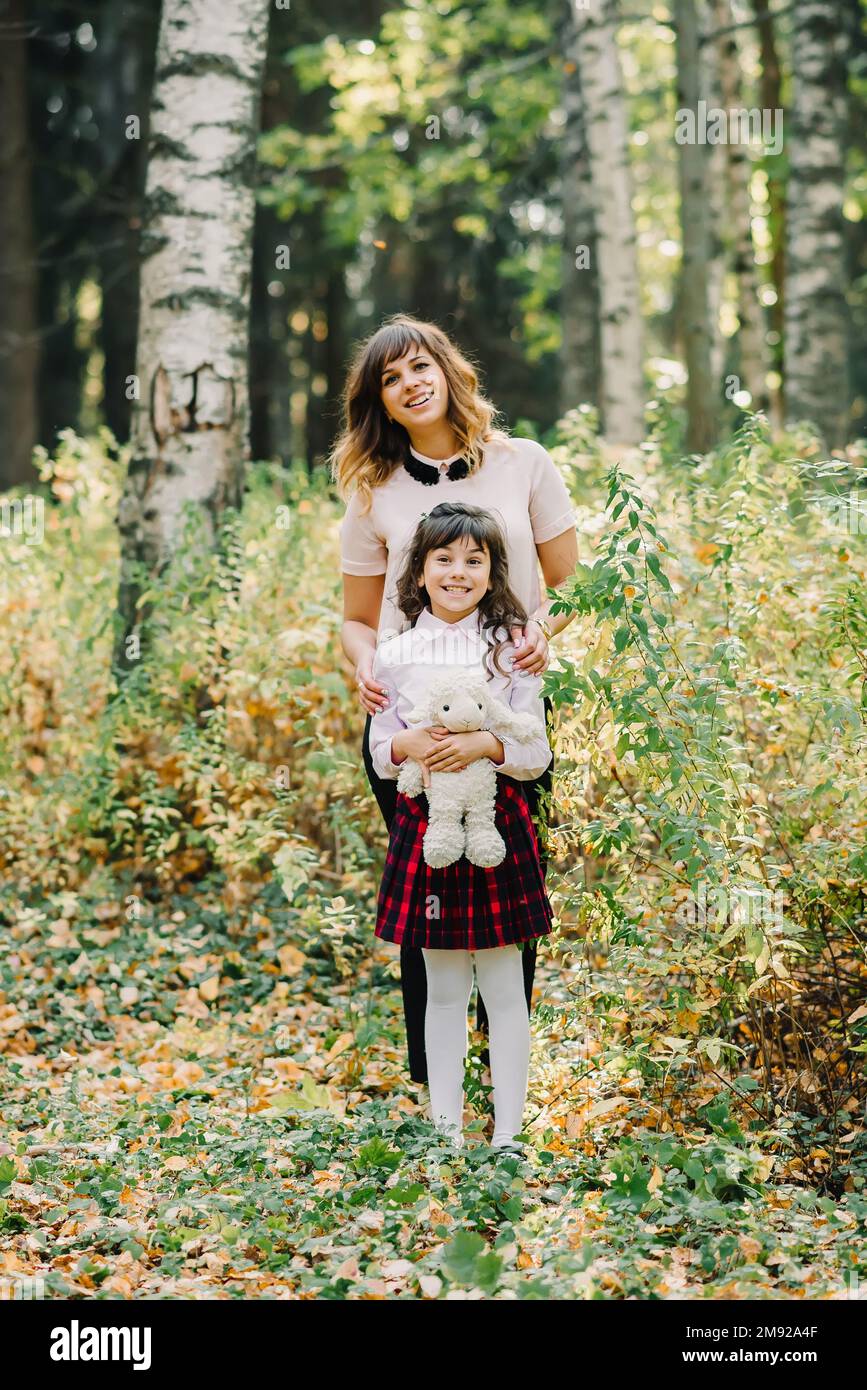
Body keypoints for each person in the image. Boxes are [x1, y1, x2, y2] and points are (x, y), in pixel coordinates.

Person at [332, 312, 578, 1084]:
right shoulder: (372, 490)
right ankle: (431, 1070)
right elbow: (353, 618)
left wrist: (542, 629)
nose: (409, 385)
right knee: (427, 880)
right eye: (389, 378)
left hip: (508, 708)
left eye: (418, 367)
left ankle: (503, 1053)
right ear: (380, 400)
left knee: (508, 875)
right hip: (407, 716)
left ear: (446, 369)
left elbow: (574, 584)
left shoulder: (524, 463)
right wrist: (363, 666)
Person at [368, 502, 554, 1150]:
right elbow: (379, 753)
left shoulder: (513, 651)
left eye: (473, 560)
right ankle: (445, 1132)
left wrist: (484, 748)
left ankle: (507, 1135)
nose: (457, 571)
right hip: (428, 831)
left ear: (491, 571)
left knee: (504, 986)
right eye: (443, 559)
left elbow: (535, 755)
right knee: (442, 988)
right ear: (418, 571)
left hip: (497, 826)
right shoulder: (393, 655)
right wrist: (410, 744)